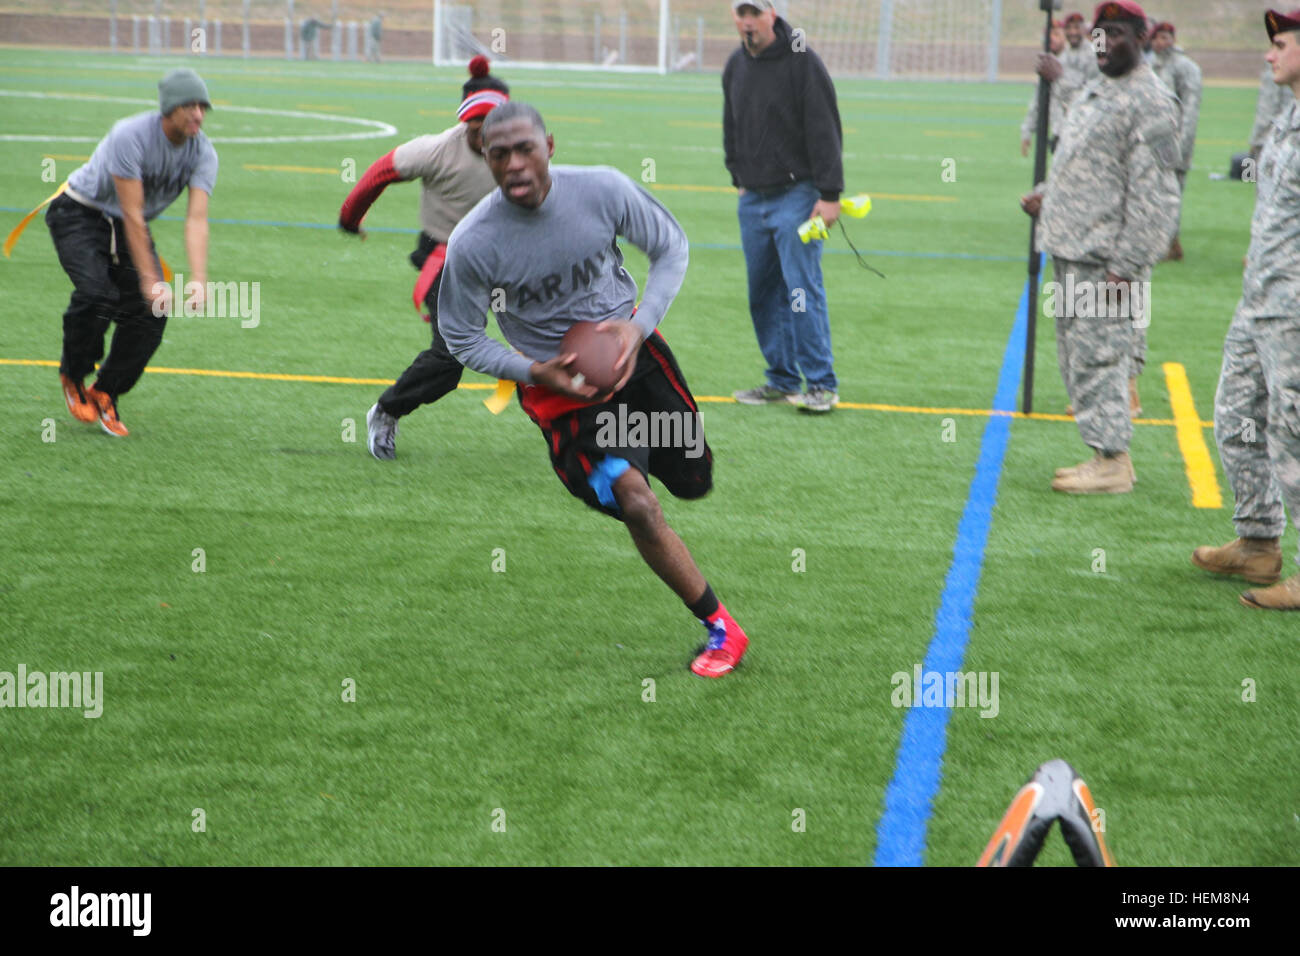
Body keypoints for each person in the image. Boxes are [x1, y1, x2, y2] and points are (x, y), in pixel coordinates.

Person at [437, 101, 750, 678]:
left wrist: (637, 325)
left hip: (640, 364)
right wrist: (533, 372)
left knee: (693, 482)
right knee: (639, 503)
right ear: (485, 157)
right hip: (566, 401)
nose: (514, 164)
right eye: (498, 153)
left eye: (525, 148)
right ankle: (721, 627)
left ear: (549, 145)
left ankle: (649, 468)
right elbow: (458, 335)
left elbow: (671, 247)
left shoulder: (603, 190)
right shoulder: (474, 241)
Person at [1020, 0, 1180, 494]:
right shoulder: (1096, 87)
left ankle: (1114, 462)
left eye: (1116, 34)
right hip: (1071, 246)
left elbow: (1158, 194)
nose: (1104, 43)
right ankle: (1101, 451)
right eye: (1098, 35)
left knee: (1100, 357)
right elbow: (1085, 164)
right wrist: (1047, 197)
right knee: (1076, 357)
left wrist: (1126, 268)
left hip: (1105, 260)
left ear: (1141, 36)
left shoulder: (1150, 100)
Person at [338, 57, 509, 460]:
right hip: (445, 262)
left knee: (559, 329)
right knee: (450, 361)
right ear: (464, 119)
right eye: (476, 122)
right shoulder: (436, 150)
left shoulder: (518, 152)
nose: (484, 132)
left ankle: (578, 423)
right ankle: (386, 411)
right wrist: (350, 219)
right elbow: (379, 173)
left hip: (501, 264)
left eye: (494, 122)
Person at [1192, 8, 1300, 610]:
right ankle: (1258, 541)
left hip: (1295, 309)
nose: (1268, 55)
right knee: (1237, 414)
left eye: (1280, 44)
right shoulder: (1289, 118)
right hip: (1261, 299)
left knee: (1296, 428)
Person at [43, 68, 217, 437]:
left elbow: (197, 220)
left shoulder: (203, 152)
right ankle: (74, 373)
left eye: (202, 106)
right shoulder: (130, 136)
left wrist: (199, 280)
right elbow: (134, 214)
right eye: (189, 106)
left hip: (125, 224)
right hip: (78, 212)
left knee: (153, 311)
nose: (198, 114)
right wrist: (152, 280)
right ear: (169, 108)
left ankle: (106, 390)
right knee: (98, 294)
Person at [723, 0, 844, 414]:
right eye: (742, 13)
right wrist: (738, 178)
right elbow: (731, 125)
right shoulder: (735, 66)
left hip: (798, 196)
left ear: (772, 14)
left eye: (755, 12)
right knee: (762, 292)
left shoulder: (802, 60)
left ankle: (822, 383)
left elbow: (825, 127)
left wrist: (829, 194)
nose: (748, 21)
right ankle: (781, 378)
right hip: (752, 198)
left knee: (800, 291)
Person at [1151, 21, 1202, 261]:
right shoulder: (1151, 66)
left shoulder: (1186, 67)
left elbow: (1190, 110)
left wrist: (1181, 146)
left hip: (1176, 144)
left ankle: (1168, 244)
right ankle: (1164, 241)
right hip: (1154, 144)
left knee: (1172, 194)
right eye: (1156, 38)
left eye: (1165, 37)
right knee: (1153, 193)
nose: (1161, 42)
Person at [1020, 20, 1075, 158]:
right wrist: (1027, 130)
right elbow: (1038, 101)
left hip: (1076, 132)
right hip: (1058, 133)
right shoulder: (1046, 63)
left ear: (1065, 37)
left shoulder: (1077, 61)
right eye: (1048, 34)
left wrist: (1059, 78)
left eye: (1056, 34)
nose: (1051, 38)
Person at [1250, 60, 1294, 161]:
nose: (1269, 56)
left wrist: (1257, 141)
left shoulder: (1276, 65)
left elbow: (1267, 107)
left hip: (1278, 141)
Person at [1061, 12, 1102, 86]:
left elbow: (1092, 83)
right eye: (1068, 28)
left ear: (1084, 29)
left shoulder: (1093, 53)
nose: (1073, 32)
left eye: (1077, 27)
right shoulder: (1063, 54)